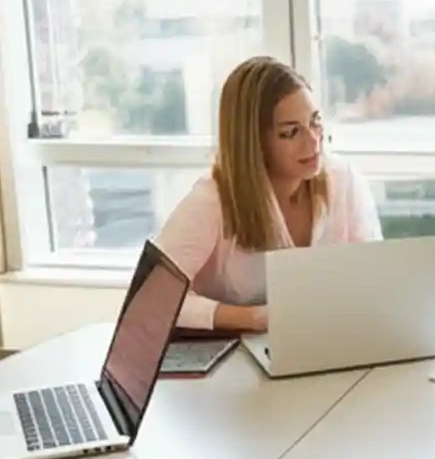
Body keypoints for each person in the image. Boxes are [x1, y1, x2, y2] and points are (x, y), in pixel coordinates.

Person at [156, 56, 381, 332]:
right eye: (291, 132)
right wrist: (253, 318)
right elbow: (153, 300)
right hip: (234, 355)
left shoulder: (343, 180)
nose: (313, 141)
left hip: (325, 340)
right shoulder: (211, 201)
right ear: (255, 143)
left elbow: (373, 279)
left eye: (315, 121)